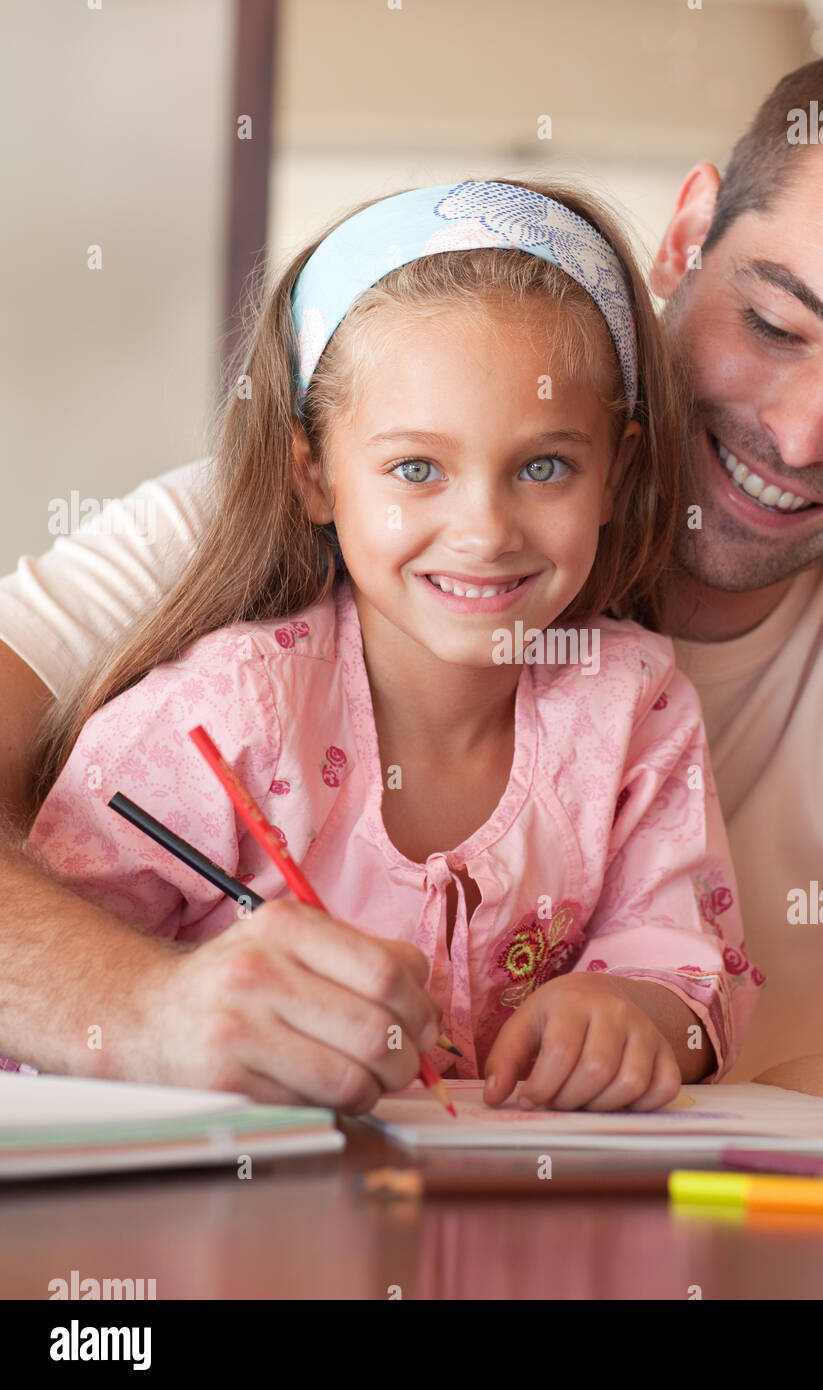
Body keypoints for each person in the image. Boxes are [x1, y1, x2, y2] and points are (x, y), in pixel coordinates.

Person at [1, 42, 823, 1145]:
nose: (803, 434)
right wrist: (136, 1005)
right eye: (772, 326)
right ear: (685, 234)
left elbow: (684, 967)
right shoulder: (257, 548)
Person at [0, 178, 762, 1114]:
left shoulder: (634, 706)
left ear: (619, 473)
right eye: (416, 469)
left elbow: (689, 966)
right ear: (314, 476)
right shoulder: (225, 710)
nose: (485, 529)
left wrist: (634, 1011)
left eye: (544, 466)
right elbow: (43, 1034)